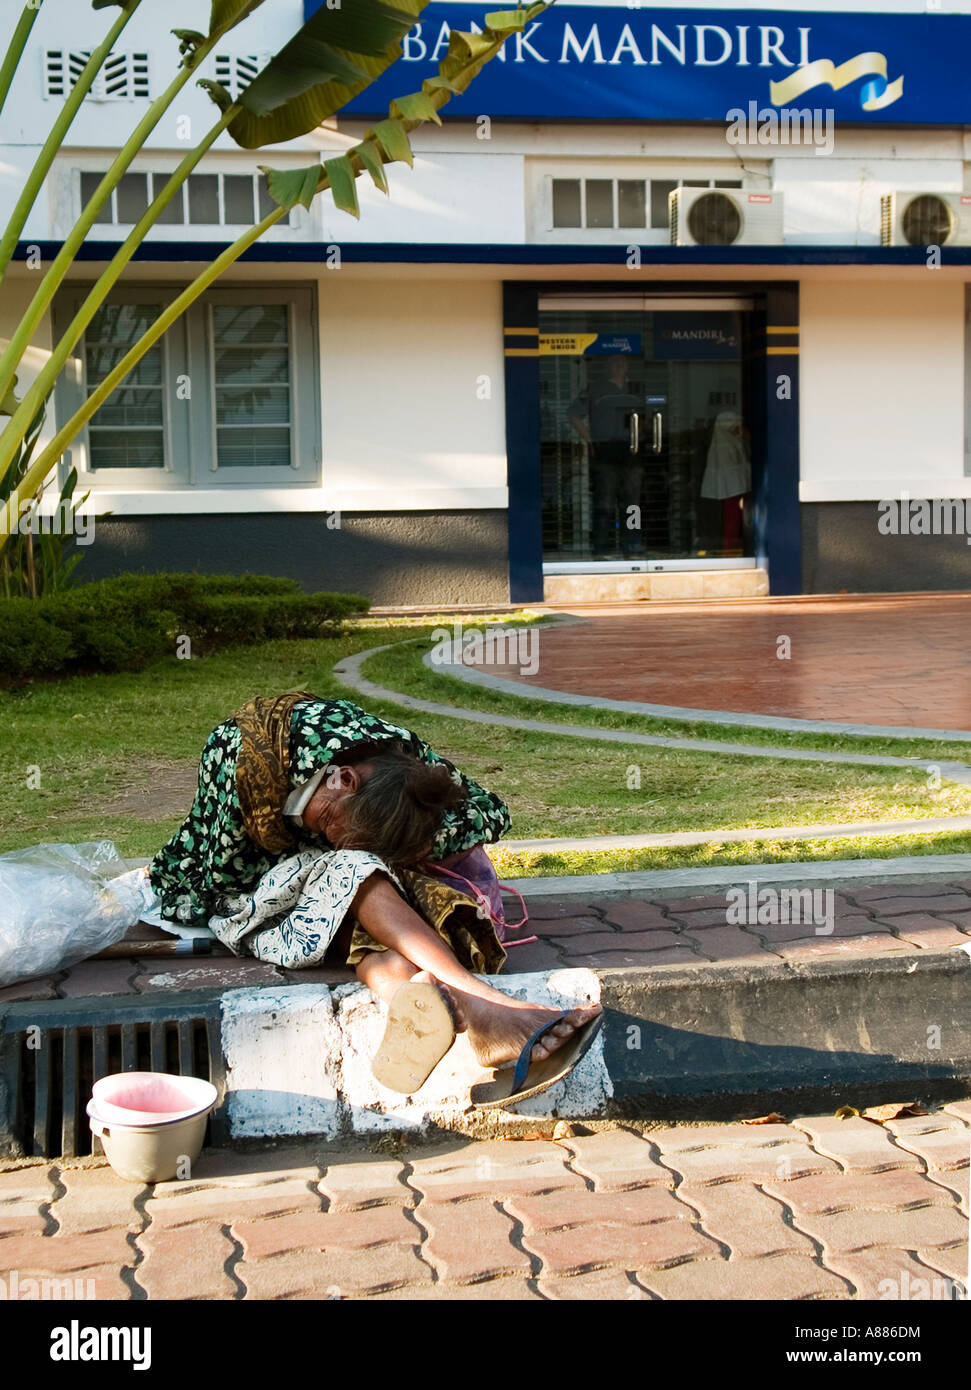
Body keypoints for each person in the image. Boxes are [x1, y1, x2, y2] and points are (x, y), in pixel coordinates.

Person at [149, 693, 601, 1098]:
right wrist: (331, 860)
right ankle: (482, 1003)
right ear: (342, 780)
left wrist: (411, 844)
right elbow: (224, 878)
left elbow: (484, 812)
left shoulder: (395, 751)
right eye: (327, 825)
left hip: (353, 899)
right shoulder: (240, 755)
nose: (326, 835)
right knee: (351, 870)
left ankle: (409, 994)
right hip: (244, 896)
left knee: (364, 881)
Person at [568, 354, 644, 556]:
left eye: (623, 361)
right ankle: (601, 546)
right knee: (604, 502)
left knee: (633, 503)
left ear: (628, 365)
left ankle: (633, 543)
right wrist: (590, 439)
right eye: (614, 362)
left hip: (632, 451)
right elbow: (573, 414)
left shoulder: (636, 388)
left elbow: (648, 414)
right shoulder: (595, 389)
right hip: (605, 450)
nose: (619, 365)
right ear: (607, 365)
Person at [700, 409, 751, 552]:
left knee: (733, 519)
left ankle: (731, 551)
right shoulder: (727, 424)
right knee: (732, 520)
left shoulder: (724, 438)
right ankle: (730, 551)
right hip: (734, 482)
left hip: (733, 480)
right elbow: (745, 435)